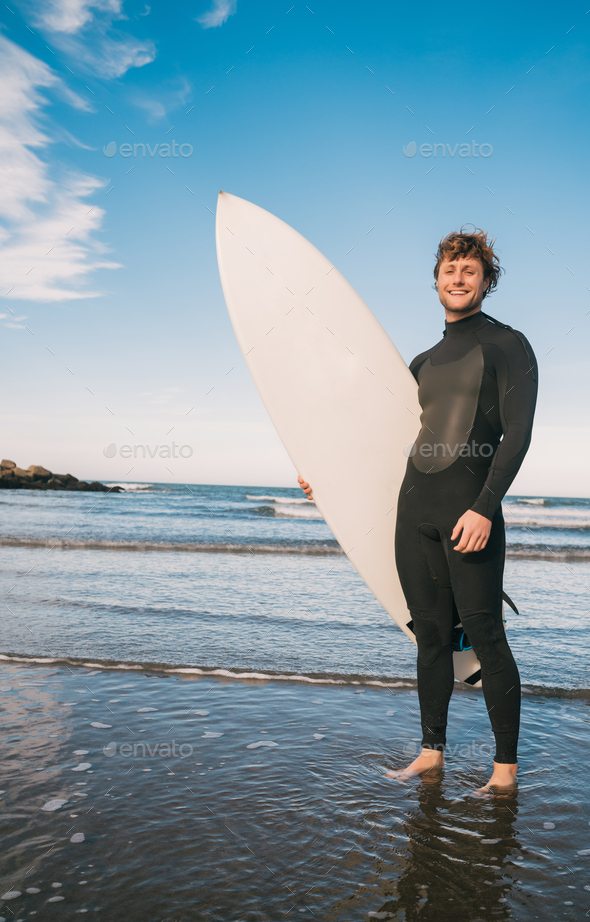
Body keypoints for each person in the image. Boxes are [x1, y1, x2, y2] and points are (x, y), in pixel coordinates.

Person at [298, 227, 537, 793]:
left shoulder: (508, 345)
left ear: (486, 281)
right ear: (436, 282)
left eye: (470, 270)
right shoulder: (422, 361)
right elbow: (386, 441)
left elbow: (518, 436)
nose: (458, 278)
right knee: (429, 636)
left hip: (468, 514)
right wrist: (329, 485)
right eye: (450, 270)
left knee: (485, 636)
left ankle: (505, 770)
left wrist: (484, 508)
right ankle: (432, 753)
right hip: (414, 513)